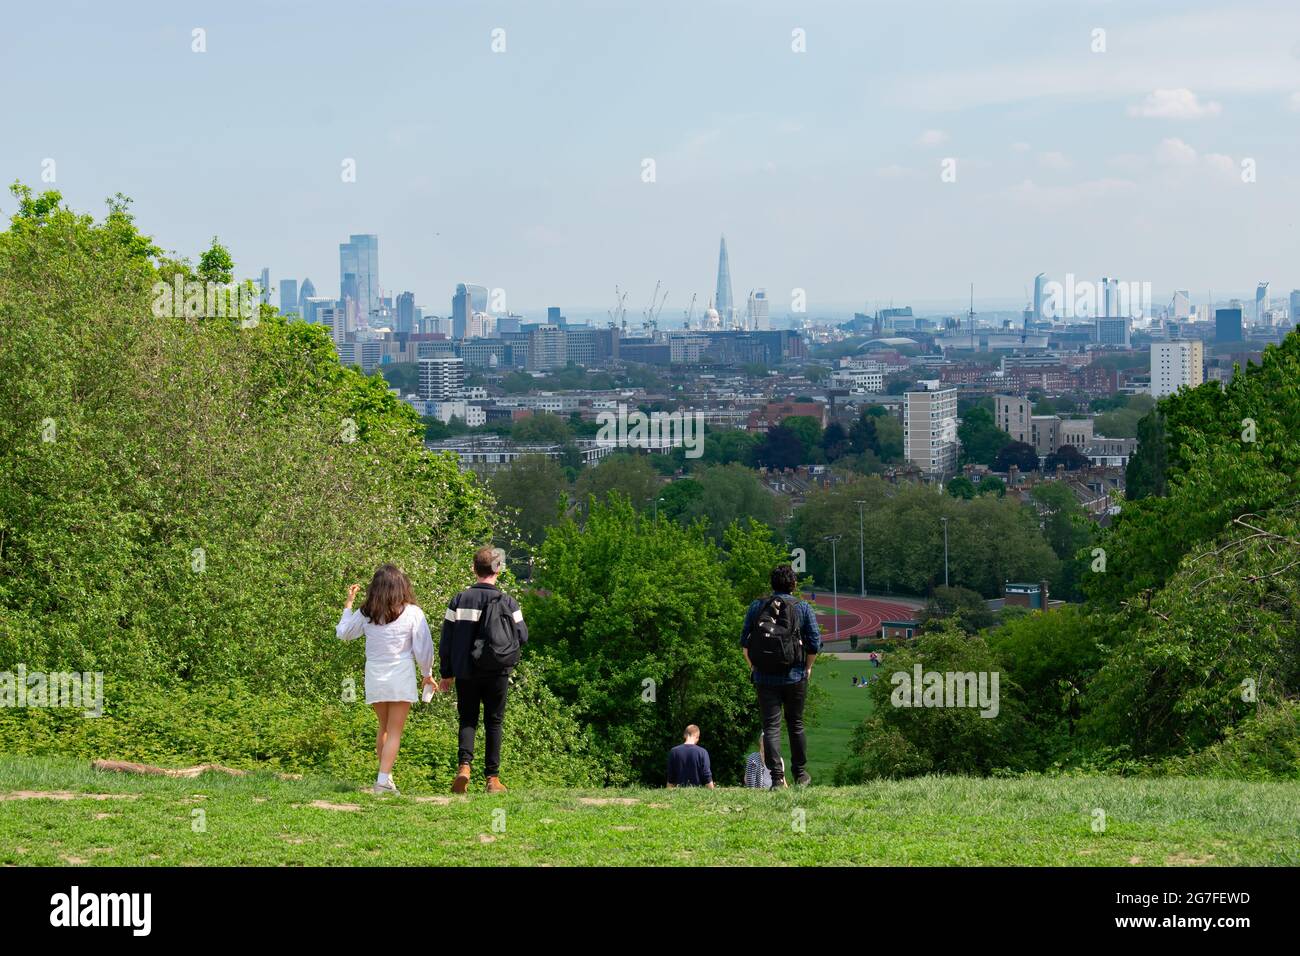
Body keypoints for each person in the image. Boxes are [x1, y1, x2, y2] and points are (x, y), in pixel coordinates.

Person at [335, 564, 435, 795]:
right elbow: (423, 648)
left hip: (374, 674)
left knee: (384, 728)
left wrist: (348, 604)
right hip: (400, 674)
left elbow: (344, 633)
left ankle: (386, 777)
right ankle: (381, 783)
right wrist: (427, 674)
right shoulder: (412, 612)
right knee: (395, 731)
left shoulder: (367, 612)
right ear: (402, 586)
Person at [438, 546, 528, 794]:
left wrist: (446, 673)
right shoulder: (508, 601)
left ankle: (464, 768)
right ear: (498, 569)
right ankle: (492, 779)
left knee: (468, 719)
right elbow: (523, 635)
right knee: (494, 722)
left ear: (473, 569)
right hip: (497, 671)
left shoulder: (459, 600)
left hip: (466, 672)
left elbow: (447, 640)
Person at [740, 564, 821, 788]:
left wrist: (753, 667)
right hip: (794, 675)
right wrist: (808, 667)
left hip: (764, 678)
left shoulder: (757, 606)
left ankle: (776, 779)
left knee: (771, 727)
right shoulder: (802, 608)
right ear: (793, 585)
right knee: (795, 724)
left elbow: (744, 643)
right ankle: (801, 774)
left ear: (772, 584)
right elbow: (814, 643)